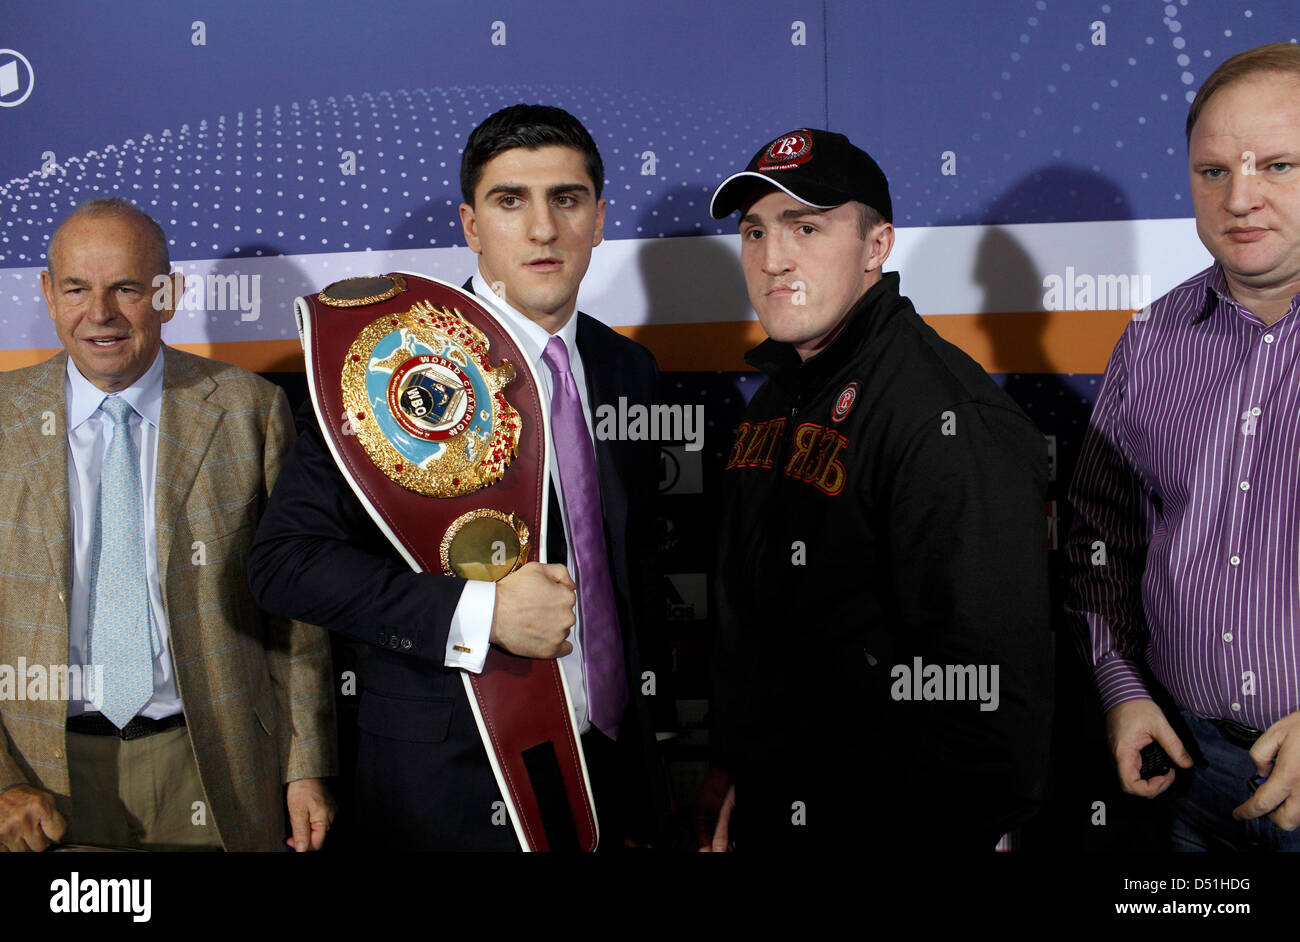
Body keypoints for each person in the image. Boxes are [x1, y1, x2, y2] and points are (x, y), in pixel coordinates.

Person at [249, 104, 672, 850]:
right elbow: (286, 565)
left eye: (565, 199)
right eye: (511, 201)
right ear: (472, 226)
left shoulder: (626, 367)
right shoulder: (385, 366)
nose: (542, 229)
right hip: (447, 780)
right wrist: (477, 615)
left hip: (607, 764)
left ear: (600, 219)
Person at [698, 128, 1054, 852]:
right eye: (755, 232)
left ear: (877, 246)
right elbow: (759, 633)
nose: (774, 258)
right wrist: (738, 763)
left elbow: (992, 698)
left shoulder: (945, 416)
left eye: (807, 227)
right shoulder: (774, 399)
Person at [0, 198, 337, 852]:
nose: (100, 314)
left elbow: (296, 611)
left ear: (167, 293)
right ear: (46, 293)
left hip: (214, 765)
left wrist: (306, 766)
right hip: (41, 777)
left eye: (126, 288)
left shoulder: (250, 412)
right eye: (76, 288)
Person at [1066, 43, 1300, 850]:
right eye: (1213, 173)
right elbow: (1101, 536)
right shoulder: (1150, 341)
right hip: (1188, 774)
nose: (1241, 198)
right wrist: (1122, 686)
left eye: (1277, 165)